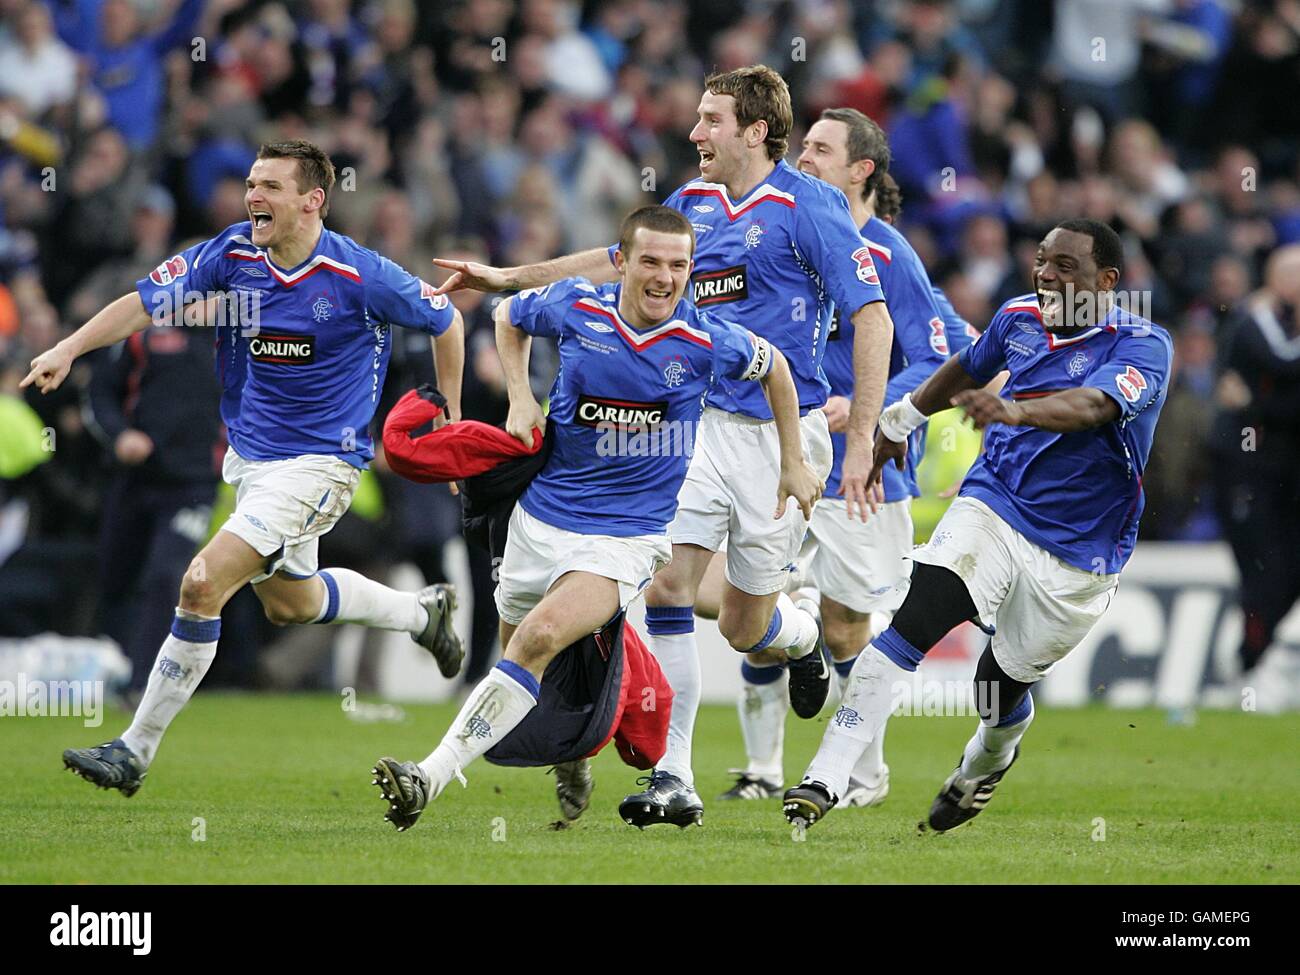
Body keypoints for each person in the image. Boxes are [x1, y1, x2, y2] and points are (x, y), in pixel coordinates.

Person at [432, 66, 895, 827]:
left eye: (710, 120)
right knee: (670, 587)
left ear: (754, 129)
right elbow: (617, 260)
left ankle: (802, 636)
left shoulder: (809, 206)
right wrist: (507, 278)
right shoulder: (694, 204)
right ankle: (675, 775)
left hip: (784, 431)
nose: (694, 133)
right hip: (702, 426)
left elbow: (870, 319)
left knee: (748, 626)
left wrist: (853, 445)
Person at [22, 140, 466, 797]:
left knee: (201, 581)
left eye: (270, 186)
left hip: (323, 464)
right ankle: (419, 614)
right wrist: (69, 344)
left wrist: (451, 418)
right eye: (252, 184)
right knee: (294, 602)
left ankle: (133, 750)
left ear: (313, 200)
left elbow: (445, 317)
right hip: (254, 465)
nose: (252, 195)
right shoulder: (231, 253)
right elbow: (146, 301)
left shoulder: (359, 274)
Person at [370, 204, 819, 831]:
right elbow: (508, 316)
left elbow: (776, 371)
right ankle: (573, 752)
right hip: (541, 519)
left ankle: (429, 776)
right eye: (651, 262)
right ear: (625, 263)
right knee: (525, 661)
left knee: (539, 639)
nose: (665, 278)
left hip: (625, 538)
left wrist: (792, 461)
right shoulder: (580, 307)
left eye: (679, 265)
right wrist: (522, 397)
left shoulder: (706, 340)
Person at [783, 219, 1172, 832]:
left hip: (1079, 552)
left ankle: (983, 763)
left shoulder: (1142, 345)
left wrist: (1015, 410)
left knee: (996, 688)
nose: (1046, 274)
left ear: (1108, 280)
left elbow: (1095, 406)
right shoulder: (1018, 318)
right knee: (919, 616)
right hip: (996, 501)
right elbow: (965, 366)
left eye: (1065, 266)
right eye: (1042, 261)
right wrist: (897, 422)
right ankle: (825, 776)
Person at [718, 108, 972, 805]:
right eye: (803, 146)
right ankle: (762, 768)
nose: (804, 157)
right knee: (756, 601)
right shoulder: (780, 232)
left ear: (861, 170)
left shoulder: (890, 255)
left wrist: (859, 411)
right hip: (783, 452)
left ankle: (865, 773)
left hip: (867, 471)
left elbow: (934, 355)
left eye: (821, 149)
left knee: (844, 625)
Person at [1212, 244, 1300, 699]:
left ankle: (1257, 660)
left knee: (1286, 573)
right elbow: (1284, 361)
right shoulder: (1255, 321)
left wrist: (1259, 402)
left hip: (1283, 474)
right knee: (1263, 572)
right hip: (1248, 471)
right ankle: (1248, 667)